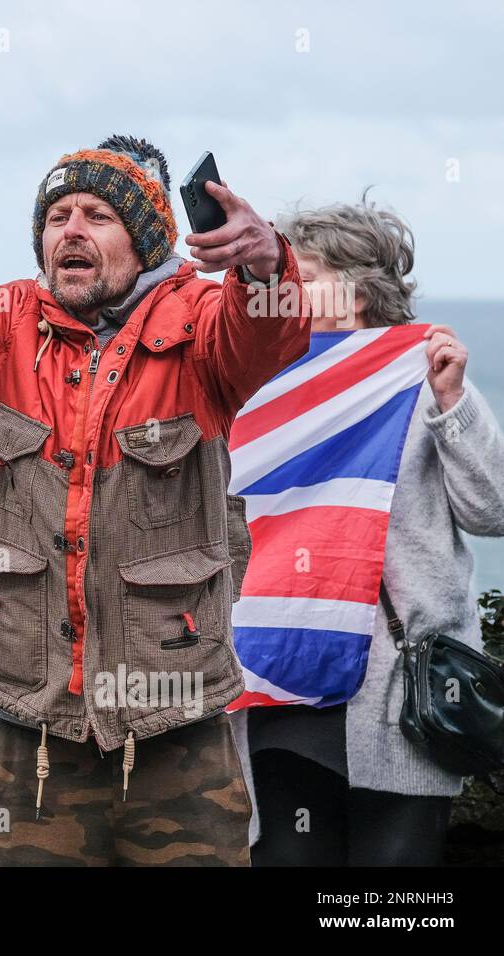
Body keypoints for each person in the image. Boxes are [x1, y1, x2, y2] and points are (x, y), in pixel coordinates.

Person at [0, 98, 309, 866]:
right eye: (57, 215)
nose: (70, 229)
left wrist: (267, 261)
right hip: (35, 741)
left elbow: (270, 328)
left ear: (144, 243)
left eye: (98, 215)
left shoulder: (204, 330)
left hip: (178, 738)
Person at [231, 194, 504, 866]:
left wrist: (452, 406)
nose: (286, 295)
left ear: (358, 291)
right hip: (279, 684)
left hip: (392, 694)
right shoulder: (256, 392)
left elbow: (492, 509)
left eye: (307, 278)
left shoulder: (420, 378)